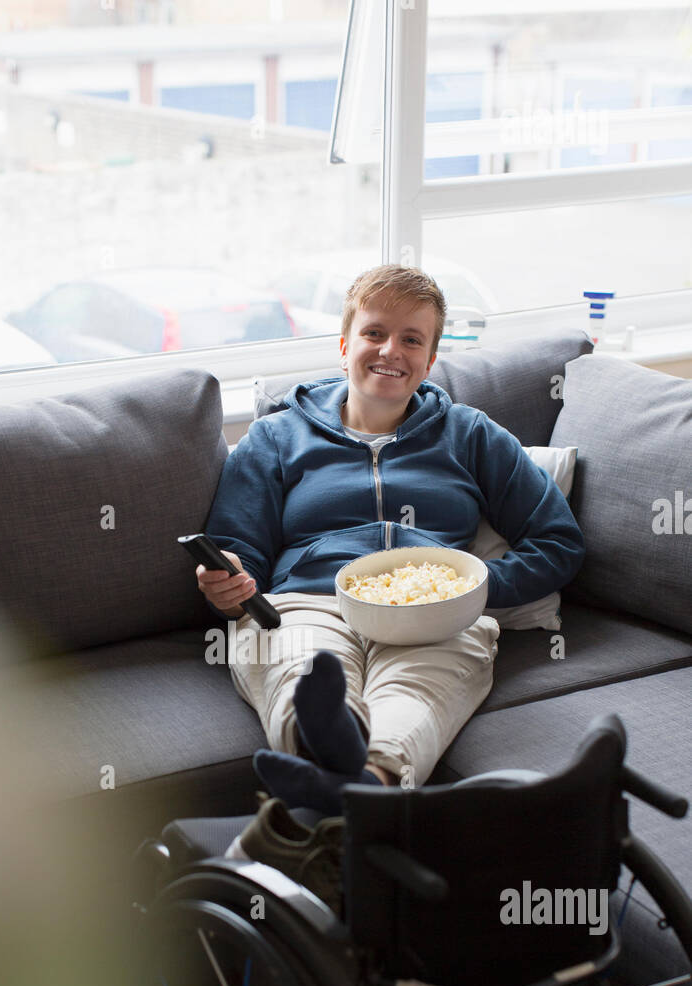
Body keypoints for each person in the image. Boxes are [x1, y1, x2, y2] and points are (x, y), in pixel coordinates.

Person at [195, 265, 585, 814]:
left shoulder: (470, 433)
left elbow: (557, 540)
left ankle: (359, 781)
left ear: (430, 359)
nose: (389, 351)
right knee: (302, 666)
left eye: (411, 339)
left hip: (435, 614)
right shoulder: (274, 437)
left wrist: (469, 588)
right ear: (344, 344)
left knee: (415, 694)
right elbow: (241, 550)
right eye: (374, 333)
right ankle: (348, 766)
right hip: (309, 601)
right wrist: (226, 580)